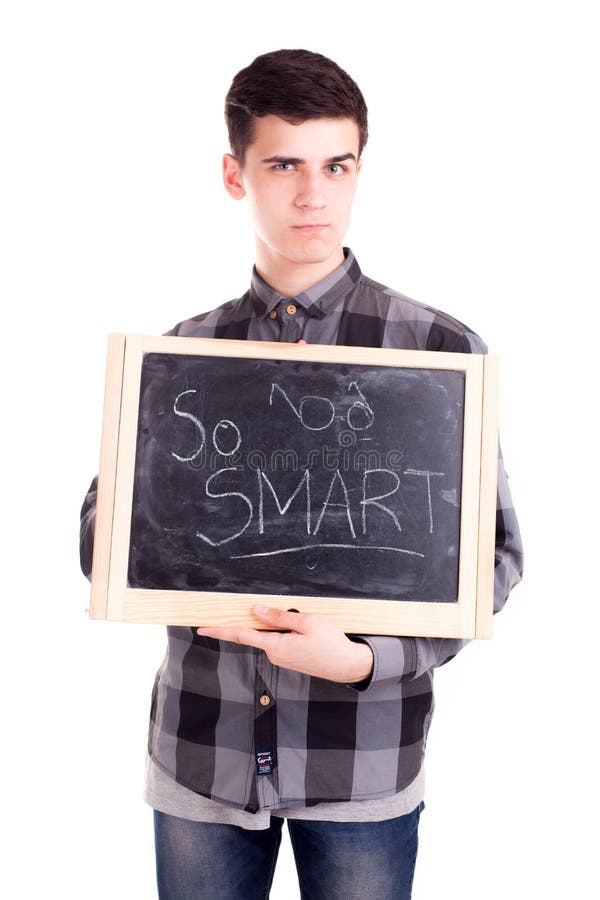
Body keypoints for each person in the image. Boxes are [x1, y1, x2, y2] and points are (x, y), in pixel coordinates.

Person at [80, 48, 523, 900]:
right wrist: (140, 506)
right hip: (202, 756)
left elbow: (491, 564)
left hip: (364, 759)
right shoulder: (182, 354)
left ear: (360, 171)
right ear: (234, 174)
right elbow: (101, 545)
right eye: (283, 164)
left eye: (335, 165)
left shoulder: (438, 352)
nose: (312, 194)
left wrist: (363, 659)